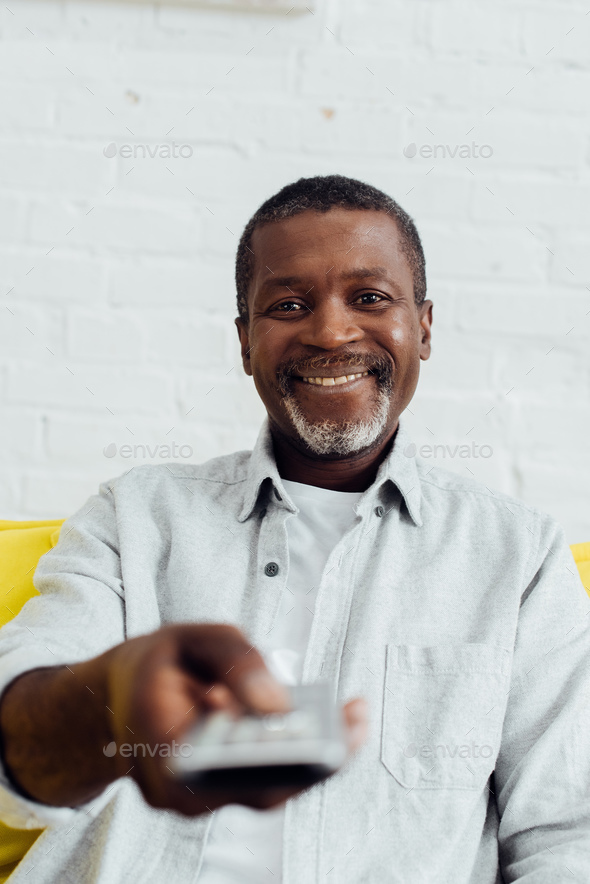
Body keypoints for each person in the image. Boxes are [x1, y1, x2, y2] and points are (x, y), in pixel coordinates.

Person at [0, 174, 589, 883]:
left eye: (369, 298)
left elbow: (566, 835)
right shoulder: (135, 515)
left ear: (423, 327)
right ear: (246, 341)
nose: (331, 332)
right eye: (288, 305)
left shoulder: (517, 556)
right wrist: (107, 708)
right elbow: (17, 737)